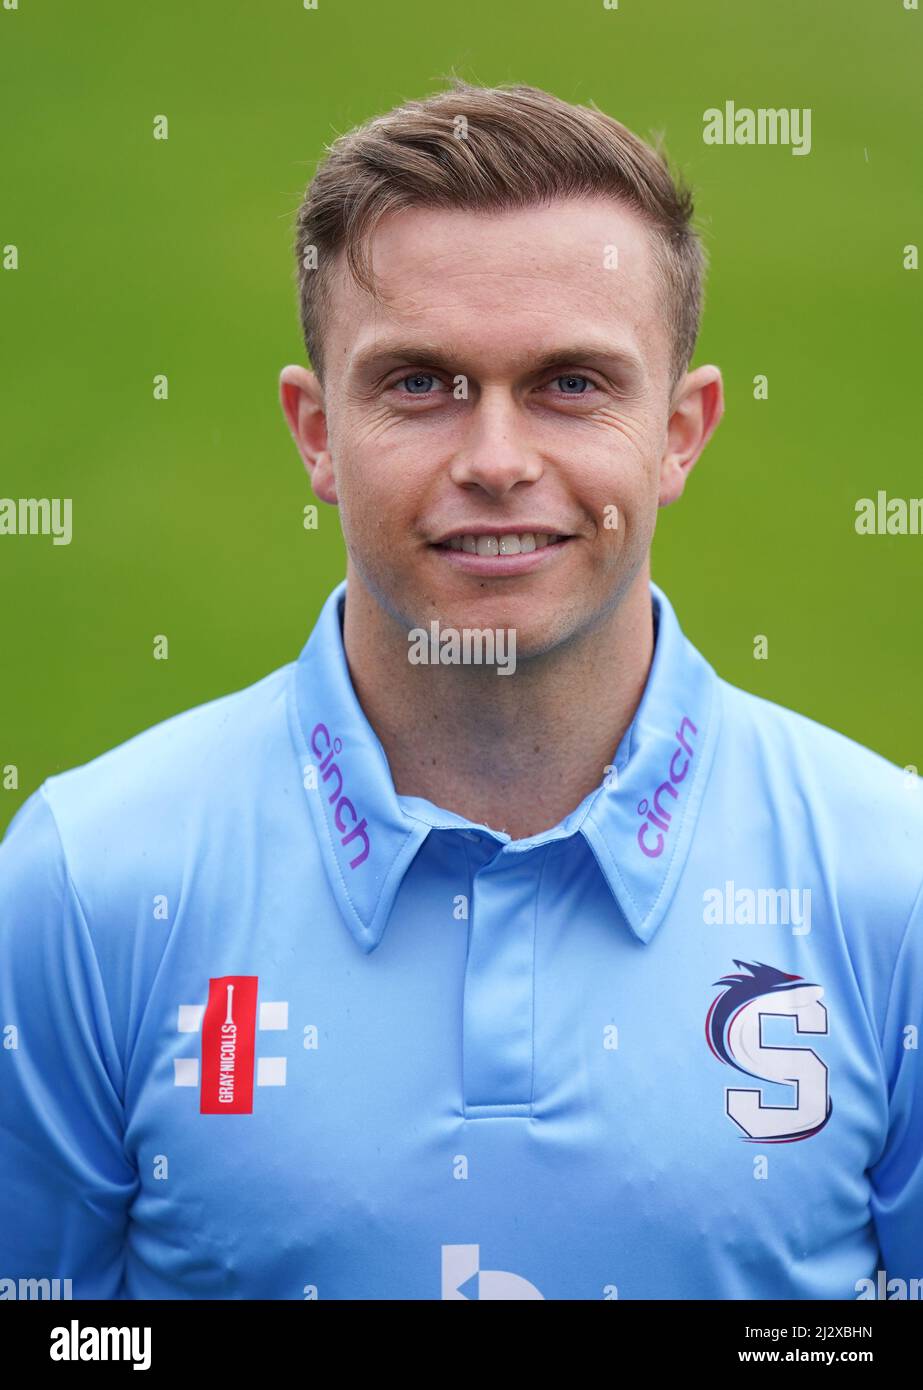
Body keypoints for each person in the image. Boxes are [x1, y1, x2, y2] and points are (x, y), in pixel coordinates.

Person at [1, 80, 920, 1302]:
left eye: (571, 384)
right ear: (316, 430)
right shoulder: (87, 881)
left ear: (681, 431)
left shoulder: (890, 886)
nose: (495, 461)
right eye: (420, 384)